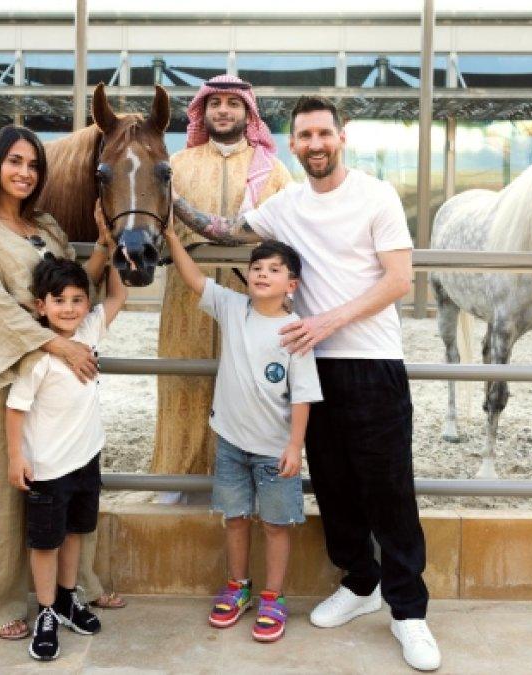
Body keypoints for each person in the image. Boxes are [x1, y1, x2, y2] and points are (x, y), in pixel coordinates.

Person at [171, 95, 440, 671]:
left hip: (371, 362)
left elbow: (399, 281)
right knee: (336, 485)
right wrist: (162, 198)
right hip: (309, 369)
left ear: (342, 138)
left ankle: (409, 612)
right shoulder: (285, 204)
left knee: (389, 487)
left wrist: (325, 321)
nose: (315, 144)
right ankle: (359, 583)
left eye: (324, 133)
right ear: (291, 144)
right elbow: (223, 230)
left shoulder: (377, 196)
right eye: (304, 136)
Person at [0, 124, 116, 640]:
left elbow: (73, 283)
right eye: (15, 162)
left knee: (67, 479)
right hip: (5, 375)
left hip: (59, 380)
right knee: (3, 489)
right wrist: (57, 345)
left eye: (33, 165)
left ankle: (71, 591)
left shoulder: (44, 225)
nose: (25, 173)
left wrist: (106, 245)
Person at [163, 224, 321, 642]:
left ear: (292, 283)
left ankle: (274, 595)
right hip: (231, 443)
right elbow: (194, 278)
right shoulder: (233, 308)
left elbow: (303, 395)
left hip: (274, 450)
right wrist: (172, 238)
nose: (262, 274)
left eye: (273, 269)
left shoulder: (296, 331)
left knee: (275, 525)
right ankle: (238, 587)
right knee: (234, 519)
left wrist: (294, 446)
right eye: (256, 267)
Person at [153, 74, 293, 490]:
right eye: (215, 104)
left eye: (234, 104)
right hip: (187, 296)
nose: (224, 111)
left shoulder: (274, 171)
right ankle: (177, 478)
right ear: (203, 111)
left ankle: (237, 476)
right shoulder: (177, 166)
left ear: (248, 113)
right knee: (183, 378)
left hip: (250, 298)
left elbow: (285, 234)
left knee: (247, 385)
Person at [6, 253, 127, 661]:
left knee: (76, 532)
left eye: (77, 300)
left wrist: (114, 248)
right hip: (47, 467)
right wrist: (14, 458)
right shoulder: (38, 358)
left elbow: (117, 294)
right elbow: (15, 409)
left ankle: (66, 598)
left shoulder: (90, 331)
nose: (70, 308)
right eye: (59, 300)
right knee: (46, 542)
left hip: (86, 460)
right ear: (41, 306)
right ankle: (44, 612)